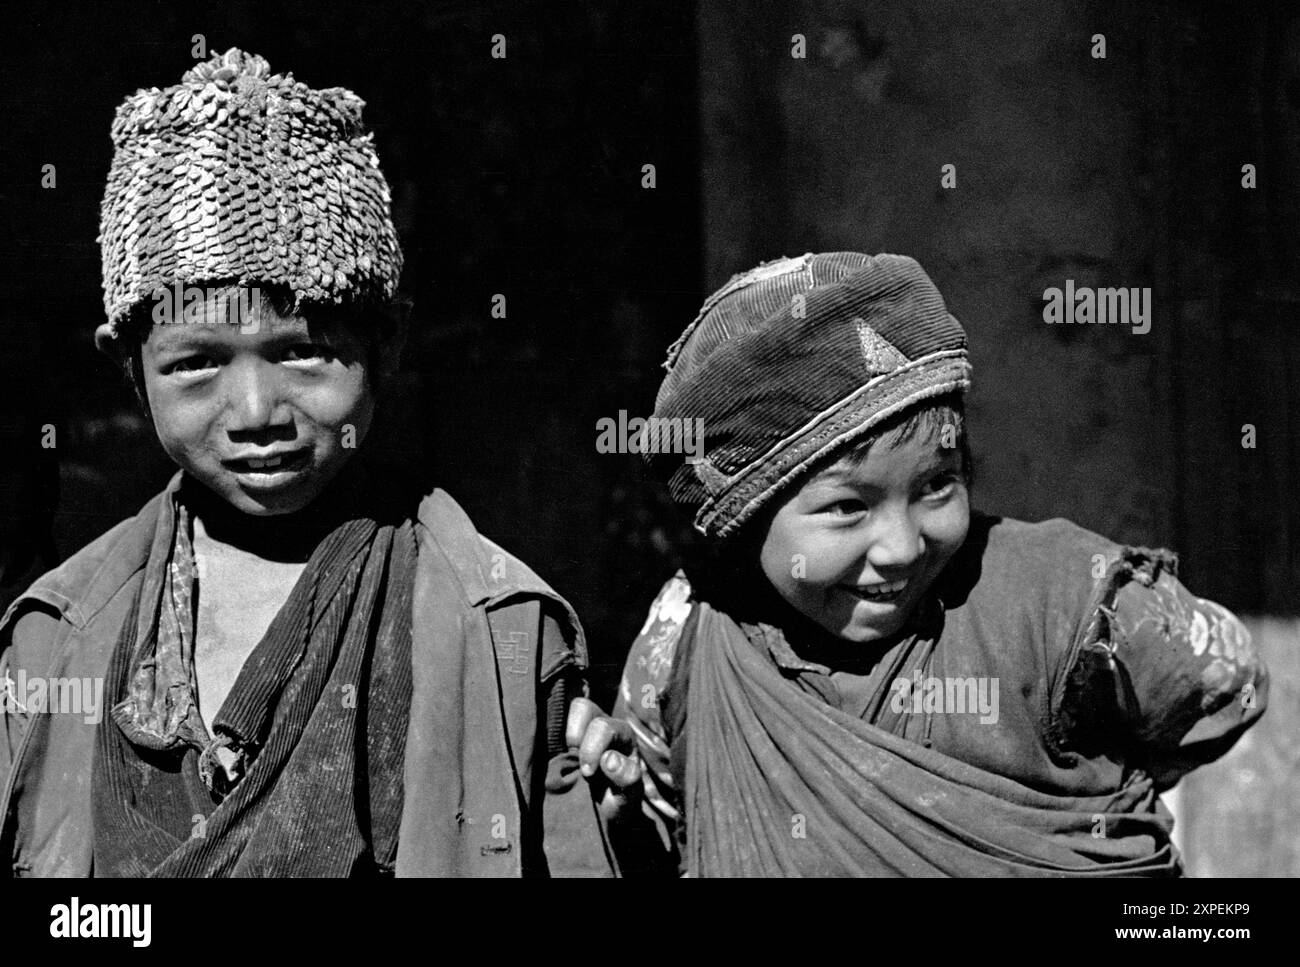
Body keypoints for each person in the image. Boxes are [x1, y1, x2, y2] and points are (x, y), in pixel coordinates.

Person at [0, 48, 606, 877]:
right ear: (129, 373)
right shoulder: (54, 640)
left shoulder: (495, 629)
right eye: (197, 364)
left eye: (304, 352)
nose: (256, 413)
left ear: (387, 343)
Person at [568, 251, 1268, 877]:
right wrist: (612, 803)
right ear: (744, 521)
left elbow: (1223, 686)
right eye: (846, 507)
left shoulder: (1067, 603)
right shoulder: (691, 640)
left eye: (937, 485)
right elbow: (669, 826)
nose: (902, 547)